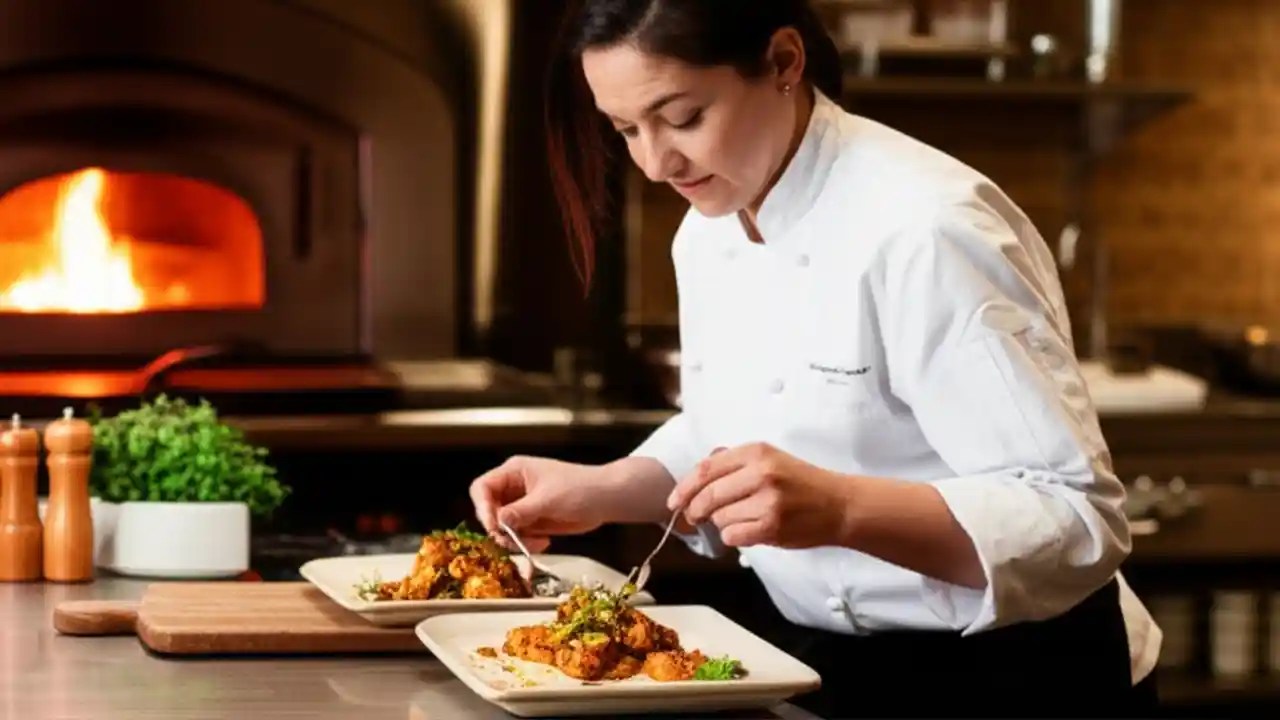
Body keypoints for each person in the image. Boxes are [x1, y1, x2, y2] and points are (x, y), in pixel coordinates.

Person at [469, 0, 1161, 715]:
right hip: (827, 665)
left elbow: (1076, 520)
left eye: (682, 118)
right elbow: (735, 427)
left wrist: (839, 508)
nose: (653, 162)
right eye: (625, 130)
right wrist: (606, 489)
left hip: (1018, 676)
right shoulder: (708, 230)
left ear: (783, 63)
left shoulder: (927, 229)